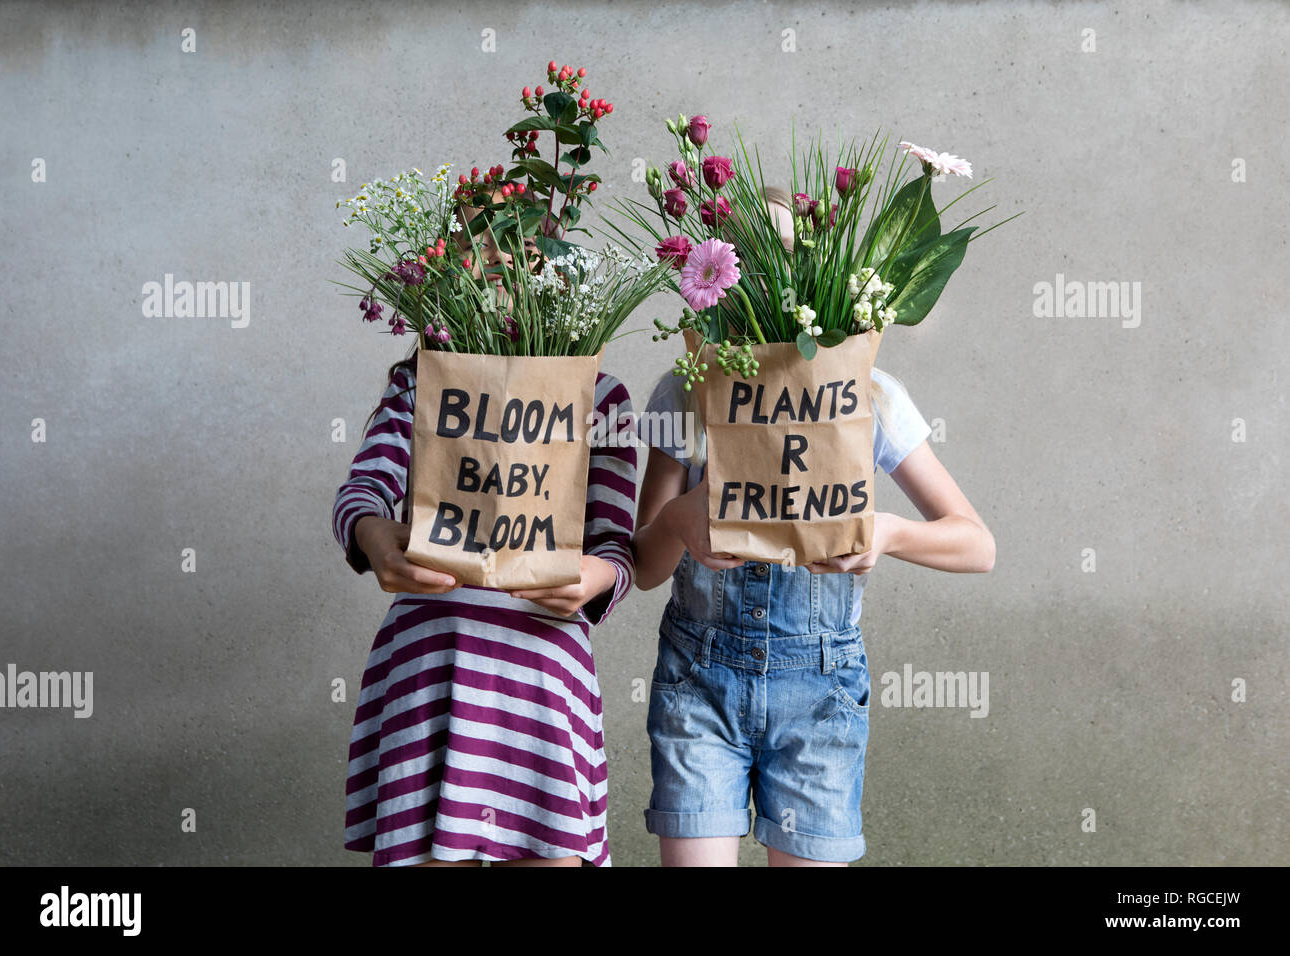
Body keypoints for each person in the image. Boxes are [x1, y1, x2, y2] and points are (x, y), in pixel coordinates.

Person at [630, 186, 996, 866]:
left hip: (819, 691)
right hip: (699, 679)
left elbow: (977, 545)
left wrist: (884, 533)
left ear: (821, 273)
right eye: (751, 262)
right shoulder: (684, 389)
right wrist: (682, 519)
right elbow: (642, 567)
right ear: (720, 278)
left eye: (790, 260)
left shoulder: (867, 395)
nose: (770, 279)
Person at [332, 197, 637, 867]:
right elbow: (362, 492)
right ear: (453, 278)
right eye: (487, 263)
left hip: (544, 684)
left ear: (559, 278)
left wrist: (593, 579)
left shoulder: (600, 397)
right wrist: (378, 542)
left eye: (526, 263)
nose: (505, 280)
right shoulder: (420, 386)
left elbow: (617, 547)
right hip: (430, 674)